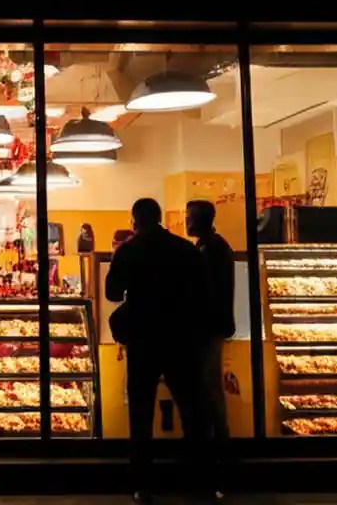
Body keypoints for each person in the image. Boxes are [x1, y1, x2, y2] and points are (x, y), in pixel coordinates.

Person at [106, 198, 216, 501]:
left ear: (134, 221)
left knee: (141, 415)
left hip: (144, 340)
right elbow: (204, 294)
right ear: (158, 218)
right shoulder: (185, 249)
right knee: (192, 411)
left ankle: (143, 484)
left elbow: (112, 292)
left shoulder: (129, 250)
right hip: (181, 339)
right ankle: (200, 480)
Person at [187, 199, 235, 445]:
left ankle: (216, 438)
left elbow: (203, 292)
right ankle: (216, 436)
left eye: (190, 216)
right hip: (212, 325)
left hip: (208, 326)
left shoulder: (210, 250)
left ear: (203, 219)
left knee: (209, 382)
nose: (187, 221)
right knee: (209, 381)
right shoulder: (215, 246)